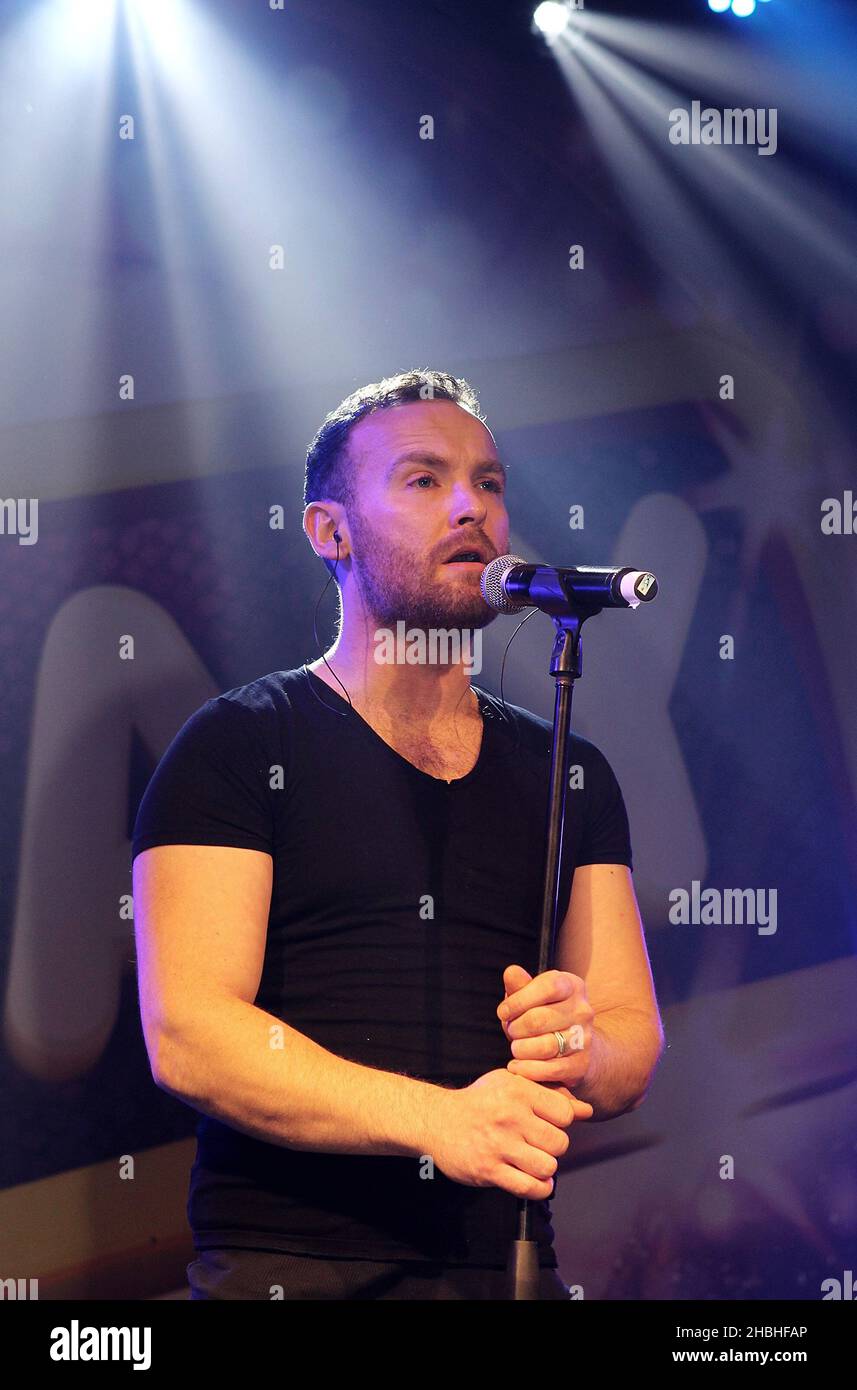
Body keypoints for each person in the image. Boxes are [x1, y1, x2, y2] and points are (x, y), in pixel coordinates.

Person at [131, 368, 664, 1301]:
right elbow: (191, 1034)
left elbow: (629, 1046)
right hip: (293, 1275)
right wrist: (437, 1121)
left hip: (502, 1274)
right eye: (424, 480)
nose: (471, 507)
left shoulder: (566, 768)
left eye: (488, 483)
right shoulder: (240, 744)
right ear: (329, 530)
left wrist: (582, 1043)